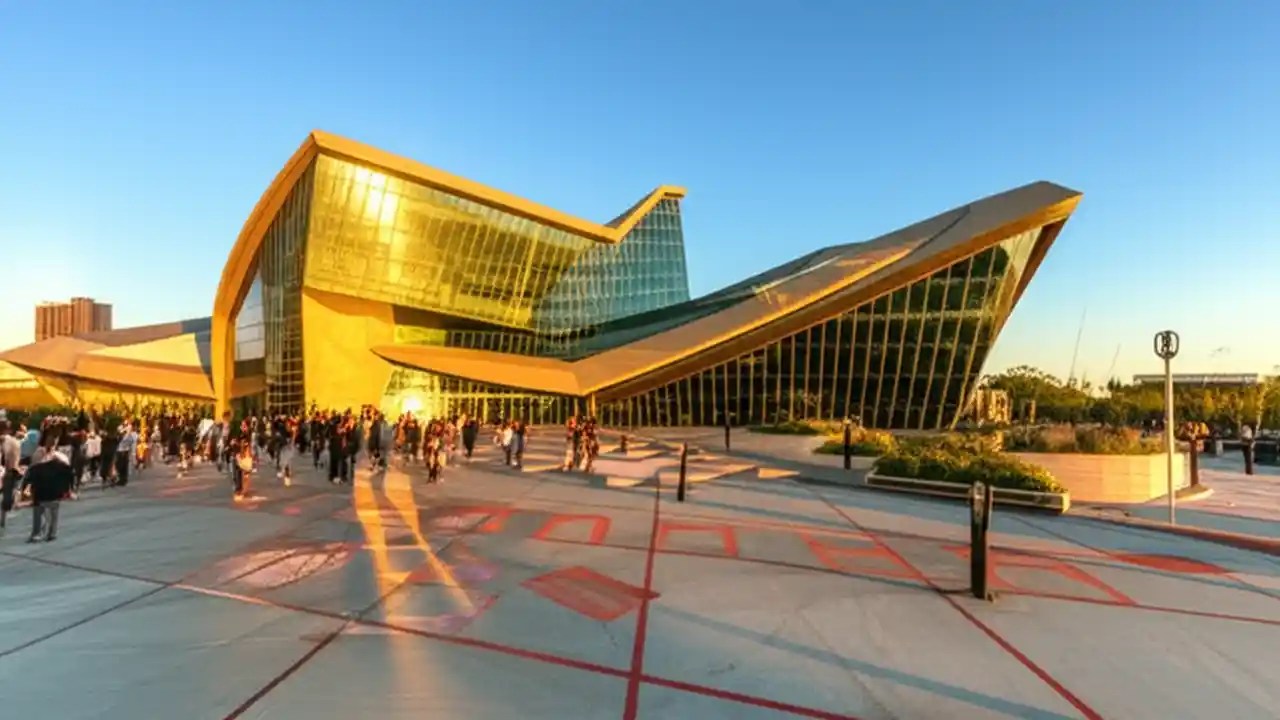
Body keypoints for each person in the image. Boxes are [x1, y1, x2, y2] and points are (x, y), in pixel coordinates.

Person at [22, 442, 73, 542]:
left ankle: (37, 533)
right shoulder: (60, 464)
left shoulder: (35, 468)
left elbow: (28, 483)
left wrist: (26, 495)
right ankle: (52, 533)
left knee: (38, 514)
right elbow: (69, 475)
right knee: (54, 513)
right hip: (55, 494)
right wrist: (67, 490)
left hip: (40, 495)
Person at [1, 421, 22, 534]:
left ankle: (3, 521)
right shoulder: (14, 441)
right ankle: (3, 521)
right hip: (10, 471)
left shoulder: (9, 441)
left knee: (7, 498)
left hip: (8, 471)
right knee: (7, 497)